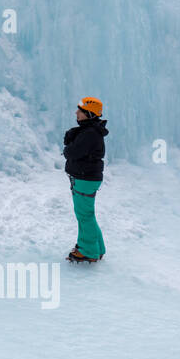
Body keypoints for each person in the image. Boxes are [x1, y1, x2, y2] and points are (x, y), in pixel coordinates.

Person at [63, 96, 108, 262]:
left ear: (89, 114)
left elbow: (71, 152)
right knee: (87, 214)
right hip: (86, 178)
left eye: (80, 110)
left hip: (84, 179)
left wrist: (69, 143)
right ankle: (98, 248)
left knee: (84, 215)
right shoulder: (90, 131)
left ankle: (88, 250)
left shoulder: (89, 133)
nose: (76, 112)